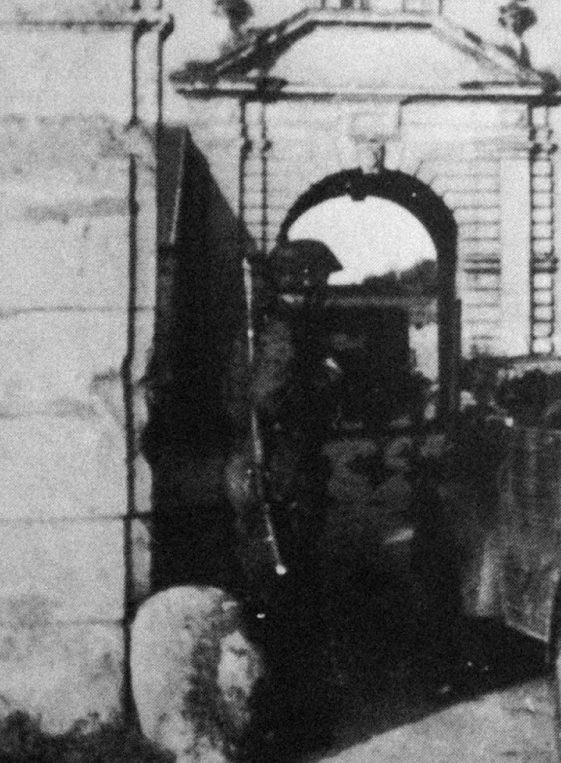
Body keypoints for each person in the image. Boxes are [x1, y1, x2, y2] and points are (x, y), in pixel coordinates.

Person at [226, 239, 343, 755]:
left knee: (281, 601)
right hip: (279, 480)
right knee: (288, 602)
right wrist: (324, 380)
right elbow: (268, 397)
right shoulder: (278, 332)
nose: (323, 293)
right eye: (319, 283)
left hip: (269, 476)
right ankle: (284, 723)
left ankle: (279, 717)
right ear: (300, 285)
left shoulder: (265, 329)